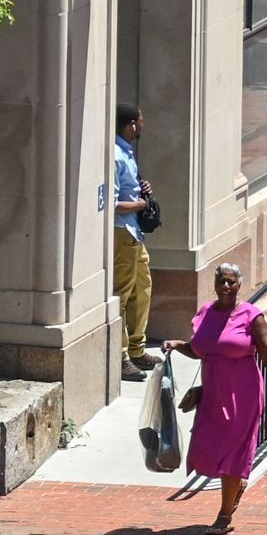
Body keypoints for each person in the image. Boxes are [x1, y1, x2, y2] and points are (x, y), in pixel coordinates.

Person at [171, 260, 267, 529]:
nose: (225, 287)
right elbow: (200, 349)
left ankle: (224, 515)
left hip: (241, 393)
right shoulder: (206, 312)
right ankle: (235, 487)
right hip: (213, 392)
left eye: (231, 282)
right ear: (215, 283)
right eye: (221, 281)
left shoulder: (251, 316)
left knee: (233, 453)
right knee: (205, 447)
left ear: (239, 284)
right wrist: (177, 346)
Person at [110, 105, 157, 375]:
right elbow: (114, 204)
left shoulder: (126, 151)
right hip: (122, 231)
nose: (142, 126)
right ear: (130, 125)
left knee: (143, 287)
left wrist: (142, 190)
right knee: (122, 294)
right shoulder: (116, 155)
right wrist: (138, 204)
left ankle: (137, 348)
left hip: (134, 233)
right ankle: (121, 356)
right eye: (140, 121)